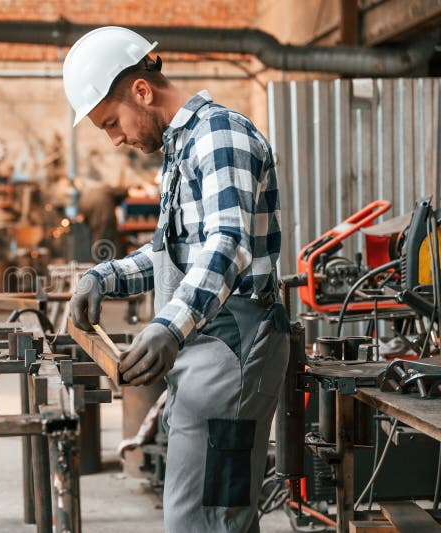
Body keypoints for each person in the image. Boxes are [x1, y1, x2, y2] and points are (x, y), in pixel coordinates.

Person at [64, 26, 290, 533]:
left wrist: (169, 326)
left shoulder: (219, 136)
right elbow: (172, 253)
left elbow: (226, 244)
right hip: (206, 347)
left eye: (110, 123)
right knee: (215, 519)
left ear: (142, 92)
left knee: (203, 522)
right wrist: (102, 278)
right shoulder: (182, 148)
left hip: (232, 351)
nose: (115, 137)